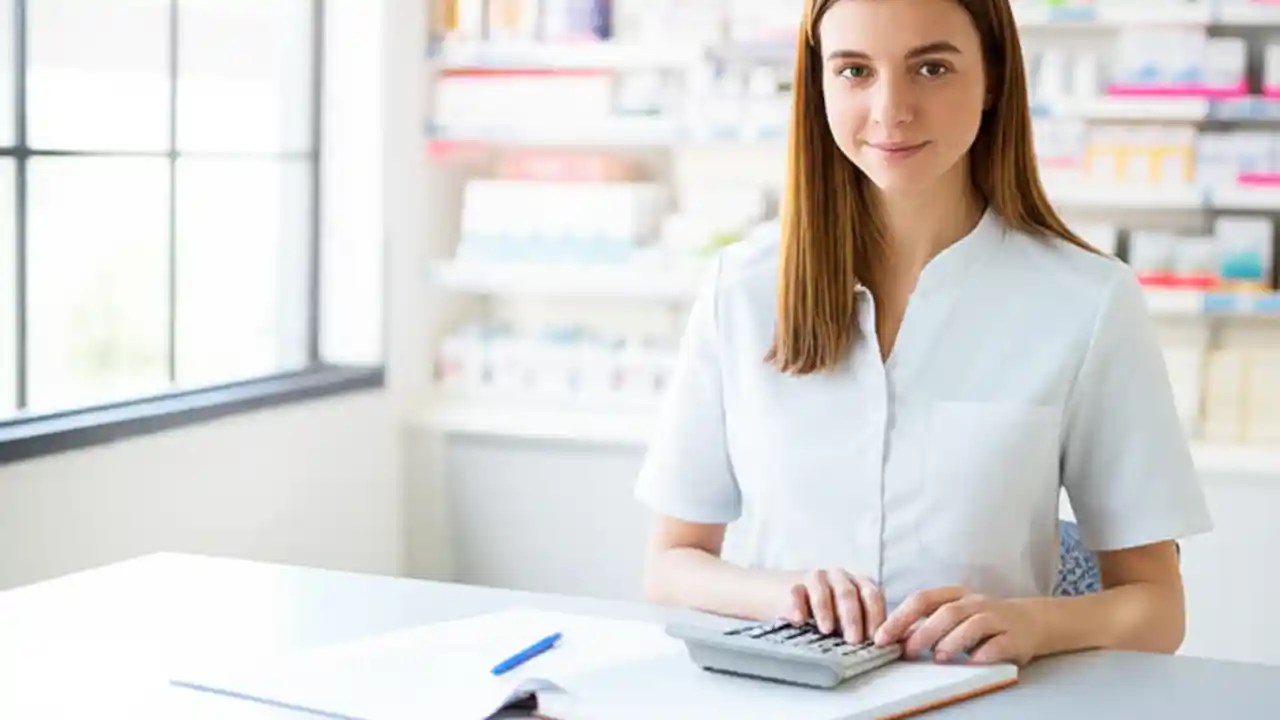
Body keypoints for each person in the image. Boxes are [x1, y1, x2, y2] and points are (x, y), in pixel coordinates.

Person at [635, 0, 1212, 667]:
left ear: (993, 76)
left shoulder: (1087, 302)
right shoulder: (740, 289)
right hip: (781, 699)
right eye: (854, 71)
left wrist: (1032, 625)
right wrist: (783, 595)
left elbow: (1157, 607)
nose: (890, 109)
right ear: (818, 80)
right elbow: (671, 563)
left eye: (931, 67)